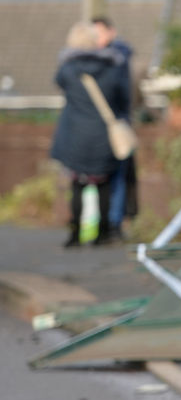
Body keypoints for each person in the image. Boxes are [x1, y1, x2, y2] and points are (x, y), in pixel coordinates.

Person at [50, 21, 130, 247]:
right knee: (104, 185)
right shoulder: (112, 67)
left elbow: (59, 84)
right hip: (104, 134)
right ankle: (102, 233)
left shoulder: (67, 70)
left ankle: (75, 234)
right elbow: (123, 99)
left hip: (75, 134)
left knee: (78, 185)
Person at [92, 15, 136, 237]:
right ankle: (105, 222)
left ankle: (113, 223)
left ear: (111, 32)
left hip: (115, 123)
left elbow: (123, 95)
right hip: (104, 124)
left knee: (117, 176)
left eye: (99, 33)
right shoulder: (117, 58)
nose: (95, 39)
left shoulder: (113, 60)